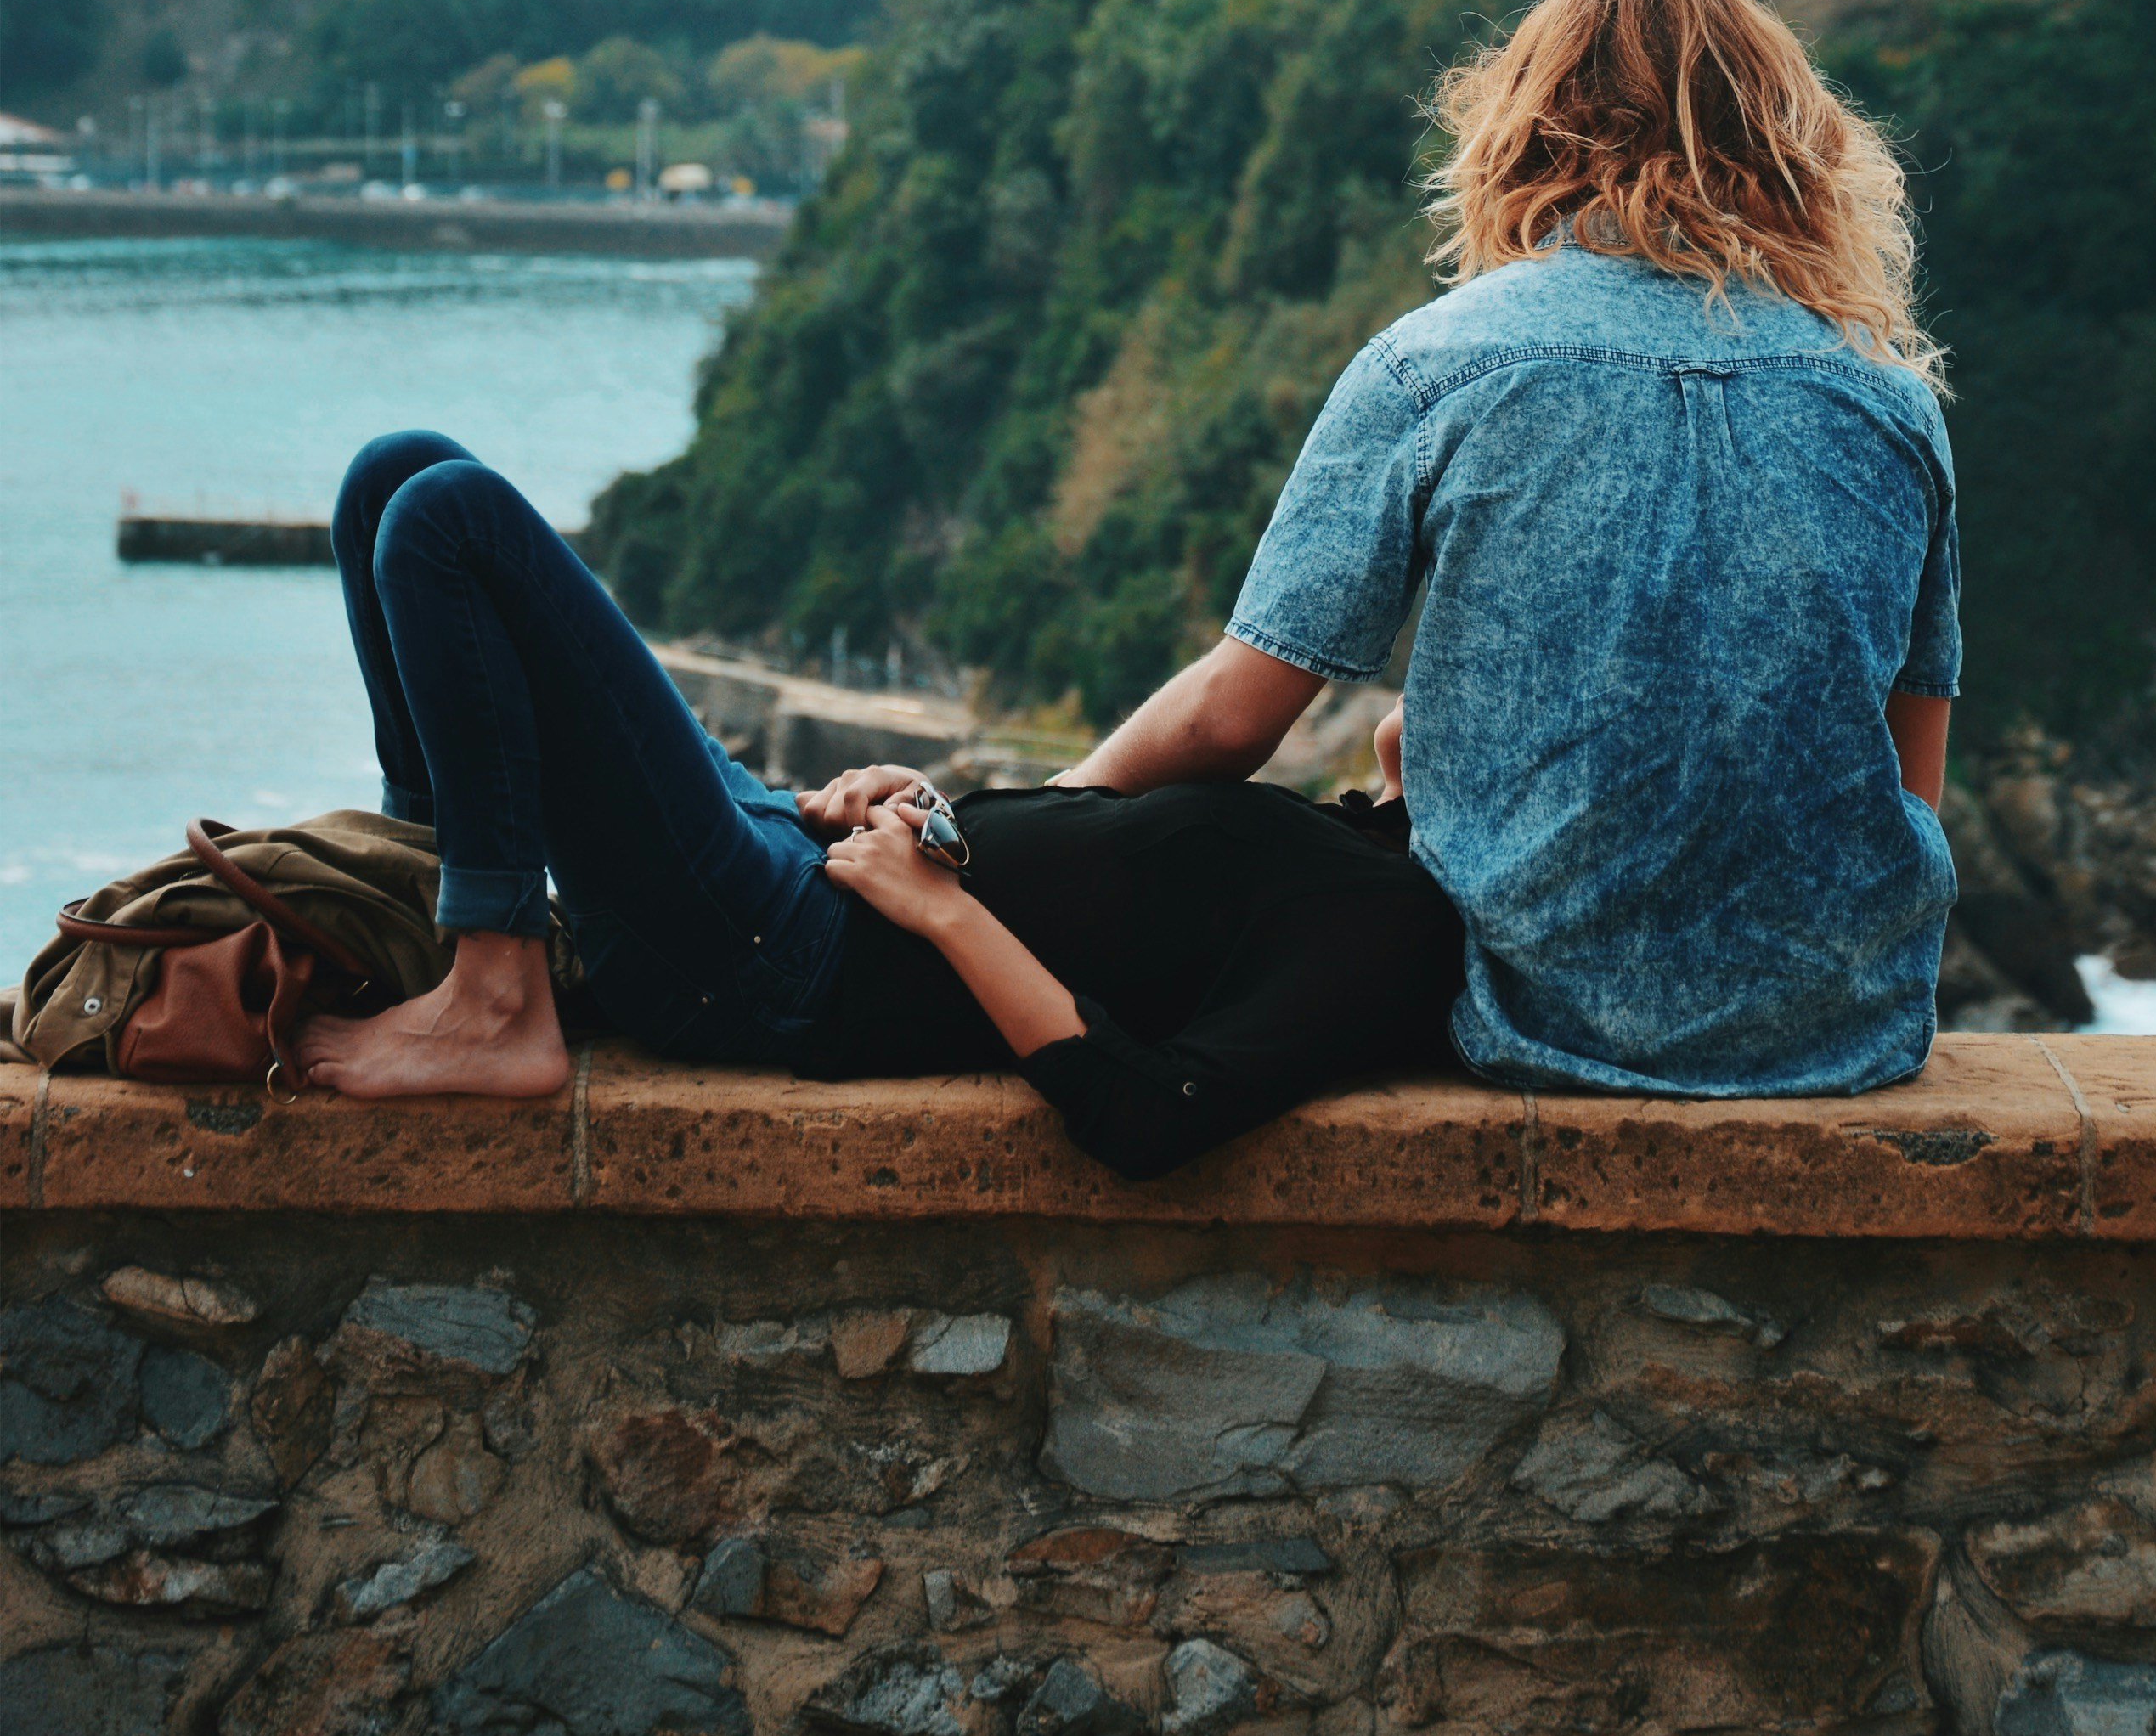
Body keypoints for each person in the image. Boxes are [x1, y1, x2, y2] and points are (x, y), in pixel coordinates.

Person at [1047, 0, 1961, 1099]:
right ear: (1787, 140)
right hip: (1843, 1030)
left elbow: (1229, 723)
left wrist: (1038, 819)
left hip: (1529, 1021)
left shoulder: (1438, 362)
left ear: (1528, 129)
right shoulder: (1887, 399)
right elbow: (1904, 782)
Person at [296, 431, 1458, 1177]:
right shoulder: (1360, 846)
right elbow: (1097, 887)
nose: (1426, 701)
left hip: (786, 962)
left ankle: (496, 995)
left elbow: (1149, 1117)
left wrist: (941, 912)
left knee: (450, 518)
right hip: (805, 869)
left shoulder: (1391, 930)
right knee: (391, 480)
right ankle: (429, 922)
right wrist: (925, 812)